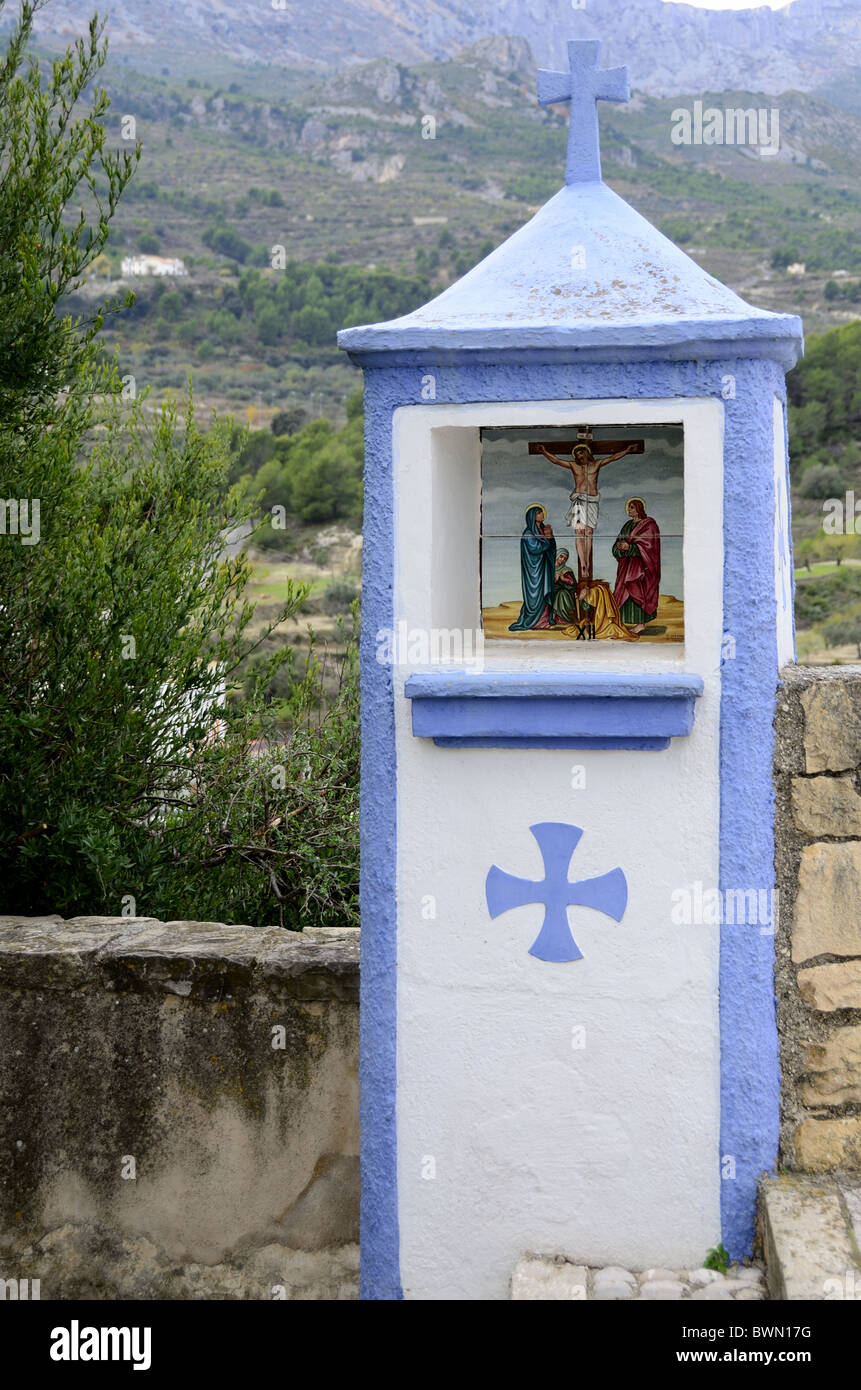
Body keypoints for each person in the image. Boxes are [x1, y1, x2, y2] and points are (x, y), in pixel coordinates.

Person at [536, 440, 638, 584]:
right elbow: (557, 461)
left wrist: (627, 450)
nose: (579, 456)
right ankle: (583, 564)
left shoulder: (596, 464)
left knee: (589, 532)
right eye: (577, 454)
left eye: (581, 452)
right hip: (578, 501)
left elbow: (613, 458)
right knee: (579, 532)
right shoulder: (574, 466)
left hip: (592, 501)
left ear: (587, 453)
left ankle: (587, 563)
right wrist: (544, 452)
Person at [612, 497, 661, 633]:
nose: (629, 510)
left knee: (638, 591)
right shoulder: (627, 525)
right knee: (623, 592)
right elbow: (617, 544)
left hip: (642, 568)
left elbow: (650, 546)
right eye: (629, 507)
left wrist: (631, 547)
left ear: (639, 509)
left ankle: (641, 624)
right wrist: (619, 547)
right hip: (626, 567)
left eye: (632, 507)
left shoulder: (649, 525)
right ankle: (624, 622)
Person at [508, 504, 560, 631]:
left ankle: (546, 620)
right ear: (532, 516)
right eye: (539, 513)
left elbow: (551, 548)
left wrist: (551, 538)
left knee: (545, 593)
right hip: (534, 572)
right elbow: (536, 548)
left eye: (541, 512)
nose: (542, 515)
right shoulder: (528, 533)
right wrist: (547, 540)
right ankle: (538, 623)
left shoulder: (543, 530)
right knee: (537, 595)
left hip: (545, 569)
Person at [552, 549, 579, 623]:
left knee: (562, 594)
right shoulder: (549, 568)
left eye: (565, 558)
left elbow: (573, 584)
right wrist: (555, 579)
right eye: (561, 556)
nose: (562, 559)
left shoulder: (566, 570)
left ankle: (570, 616)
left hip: (565, 592)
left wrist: (563, 579)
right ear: (557, 556)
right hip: (551, 592)